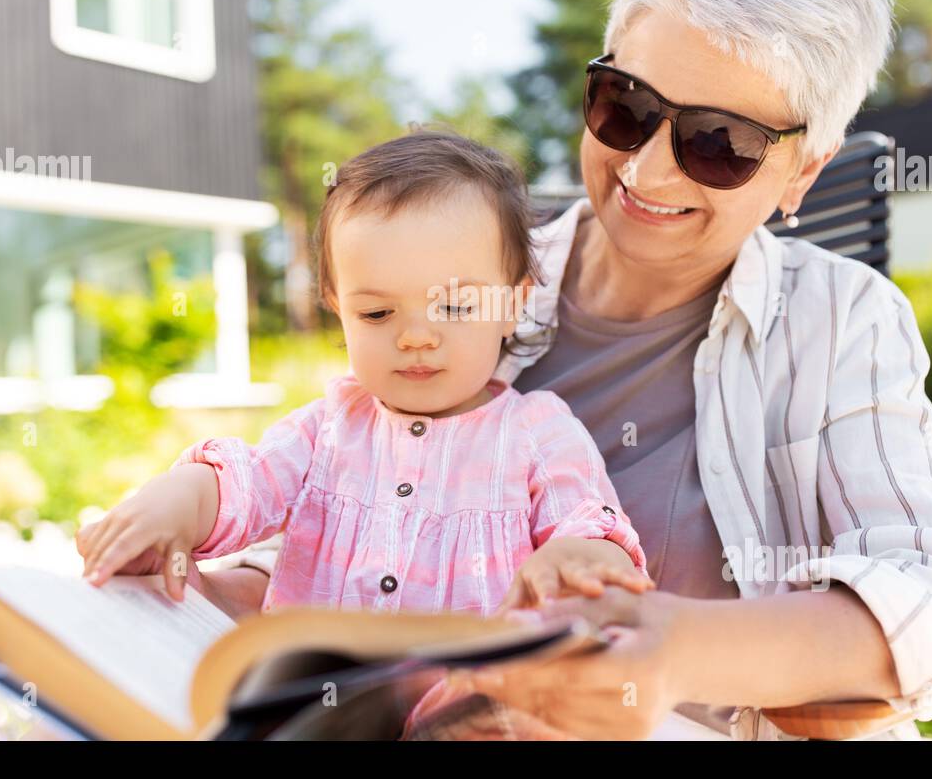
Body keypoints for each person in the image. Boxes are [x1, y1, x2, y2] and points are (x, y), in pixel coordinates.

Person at [200, 0, 932, 741]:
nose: (647, 167)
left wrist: (675, 651)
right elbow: (368, 495)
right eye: (626, 105)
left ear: (802, 172)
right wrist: (227, 582)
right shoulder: (471, 278)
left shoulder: (839, 320)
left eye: (719, 141)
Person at [75, 130, 654, 624]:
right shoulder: (328, 429)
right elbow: (249, 482)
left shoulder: (536, 433)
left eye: (454, 307)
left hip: (473, 706)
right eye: (377, 313)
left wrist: (582, 559)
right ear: (337, 306)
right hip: (316, 705)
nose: (416, 337)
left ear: (513, 303)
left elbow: (588, 521)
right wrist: (180, 497)